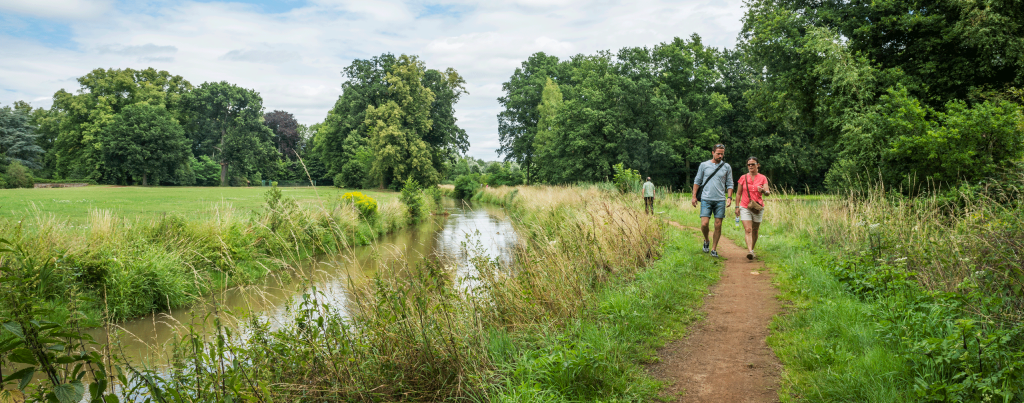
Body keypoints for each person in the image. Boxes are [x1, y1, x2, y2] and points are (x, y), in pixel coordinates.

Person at [691, 144, 733, 258]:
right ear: (712, 152)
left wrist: (729, 197)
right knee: (704, 224)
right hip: (706, 199)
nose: (720, 156)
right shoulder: (704, 165)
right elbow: (697, 180)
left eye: (722, 154)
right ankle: (706, 240)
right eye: (718, 153)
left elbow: (730, 183)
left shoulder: (726, 167)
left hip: (720, 200)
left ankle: (714, 249)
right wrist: (694, 196)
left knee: (718, 225)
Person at [735, 157, 770, 260]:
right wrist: (737, 207)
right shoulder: (743, 177)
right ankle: (750, 251)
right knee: (748, 229)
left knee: (755, 230)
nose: (750, 166)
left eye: (753, 164)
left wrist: (763, 191)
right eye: (749, 164)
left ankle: (752, 250)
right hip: (745, 206)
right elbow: (738, 193)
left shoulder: (763, 178)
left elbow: (768, 193)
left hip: (758, 207)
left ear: (757, 165)